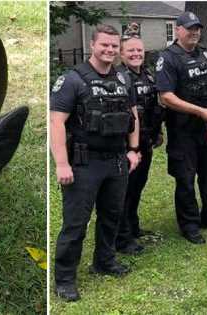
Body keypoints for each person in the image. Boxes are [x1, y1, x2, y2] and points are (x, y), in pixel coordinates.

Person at [50, 24, 141, 302]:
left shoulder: (124, 79)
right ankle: (64, 278)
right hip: (84, 162)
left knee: (111, 216)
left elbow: (133, 114)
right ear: (93, 45)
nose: (110, 50)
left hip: (116, 162)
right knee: (76, 223)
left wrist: (133, 149)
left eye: (114, 46)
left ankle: (104, 261)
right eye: (105, 45)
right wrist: (62, 163)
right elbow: (56, 122)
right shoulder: (73, 80)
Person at [155, 11, 207, 245]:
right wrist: (199, 111)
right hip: (183, 130)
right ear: (178, 30)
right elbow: (166, 97)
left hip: (206, 128)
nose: (194, 32)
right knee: (186, 179)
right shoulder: (168, 58)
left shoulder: (206, 54)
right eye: (189, 28)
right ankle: (189, 224)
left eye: (197, 28)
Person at [114, 25, 164, 255]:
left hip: (146, 142)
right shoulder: (118, 78)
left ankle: (132, 227)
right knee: (124, 191)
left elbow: (155, 107)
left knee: (137, 188)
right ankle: (122, 238)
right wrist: (130, 147)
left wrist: (158, 133)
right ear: (121, 54)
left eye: (139, 50)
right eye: (131, 51)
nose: (136, 54)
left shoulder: (149, 75)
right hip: (128, 146)